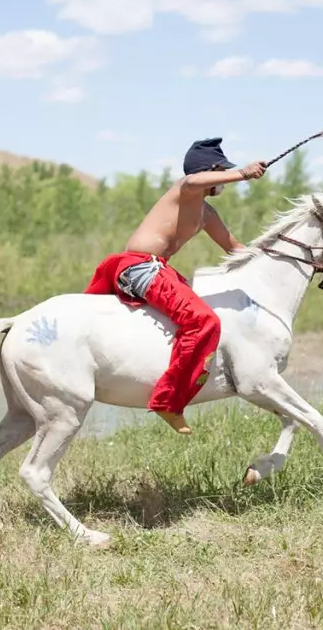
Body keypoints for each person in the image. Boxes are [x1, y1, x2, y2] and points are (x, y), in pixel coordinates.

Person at [83, 137, 268, 434]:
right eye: (222, 172)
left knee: (198, 314)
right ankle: (168, 401)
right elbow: (194, 180)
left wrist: (276, 259)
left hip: (160, 270)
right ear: (213, 170)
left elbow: (235, 248)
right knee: (204, 320)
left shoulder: (207, 213)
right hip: (140, 266)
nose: (223, 181)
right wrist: (243, 173)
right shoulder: (185, 188)